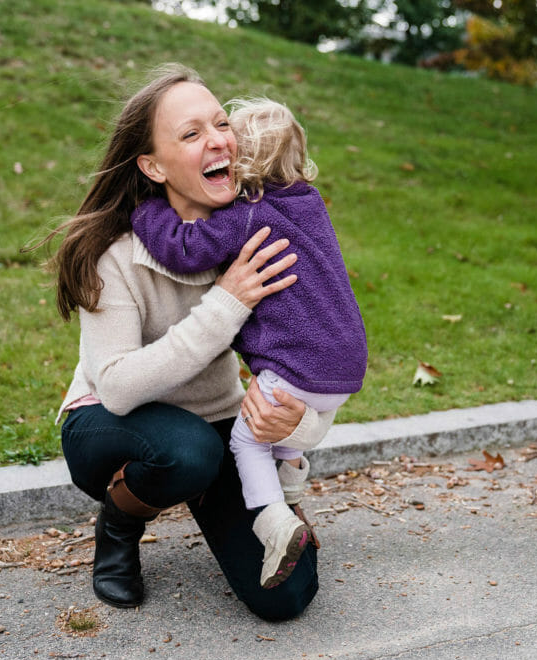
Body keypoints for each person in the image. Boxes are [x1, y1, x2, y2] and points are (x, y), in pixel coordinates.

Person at [46, 64, 334, 621]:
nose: (219, 140)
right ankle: (120, 522)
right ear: (152, 166)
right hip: (107, 419)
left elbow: (321, 358)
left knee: (287, 596)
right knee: (188, 452)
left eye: (221, 123)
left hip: (215, 421)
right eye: (191, 133)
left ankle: (224, 499)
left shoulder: (258, 236)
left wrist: (296, 424)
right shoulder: (116, 254)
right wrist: (227, 303)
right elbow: (119, 388)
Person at [131, 97, 367, 589]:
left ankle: (274, 523)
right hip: (343, 366)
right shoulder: (308, 201)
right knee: (278, 435)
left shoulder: (246, 216)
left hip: (296, 366)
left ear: (243, 165)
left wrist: (147, 212)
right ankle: (293, 491)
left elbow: (184, 247)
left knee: (247, 438)